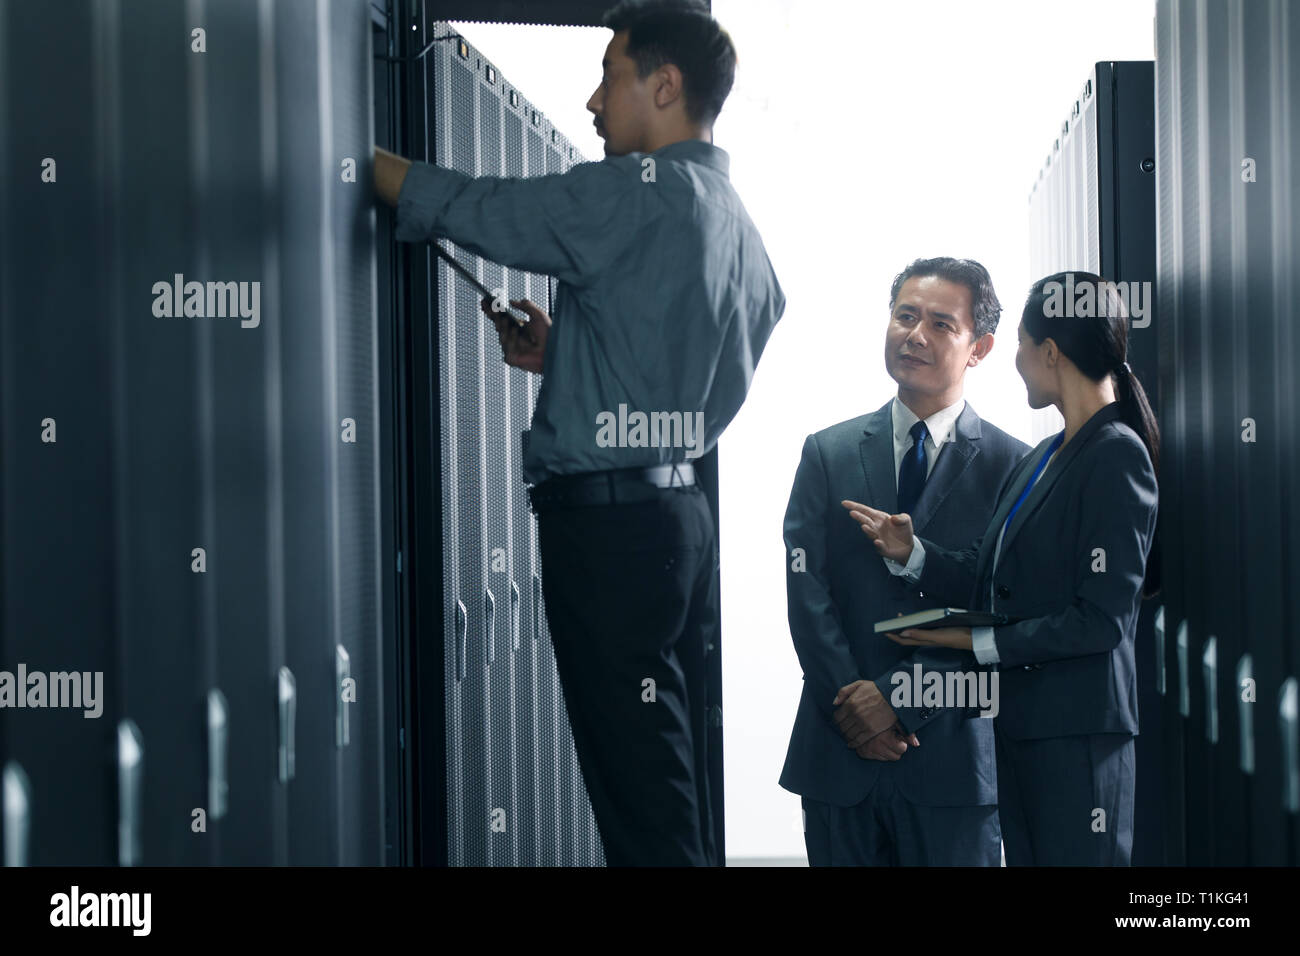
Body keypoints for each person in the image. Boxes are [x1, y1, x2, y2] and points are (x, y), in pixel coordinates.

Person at [373, 0, 785, 866]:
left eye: (609, 75)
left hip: (608, 530)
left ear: (664, 85)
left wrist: (367, 165)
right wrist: (575, 360)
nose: (594, 103)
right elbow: (695, 357)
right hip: (674, 520)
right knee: (660, 763)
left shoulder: (638, 193)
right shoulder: (734, 218)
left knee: (635, 785)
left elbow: (496, 211)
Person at [845, 271, 1160, 865]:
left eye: (1018, 344)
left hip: (1078, 739)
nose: (1014, 360)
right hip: (1024, 732)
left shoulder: (1116, 454)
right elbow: (994, 576)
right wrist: (912, 553)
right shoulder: (1046, 455)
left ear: (1049, 351)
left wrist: (974, 640)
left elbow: (1101, 621)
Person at [781, 257, 1028, 866]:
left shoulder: (1013, 467)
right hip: (838, 751)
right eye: (904, 316)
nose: (914, 335)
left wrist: (898, 697)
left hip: (953, 763)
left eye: (941, 324)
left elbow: (999, 608)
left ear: (980, 347)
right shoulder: (827, 451)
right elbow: (805, 590)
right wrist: (854, 705)